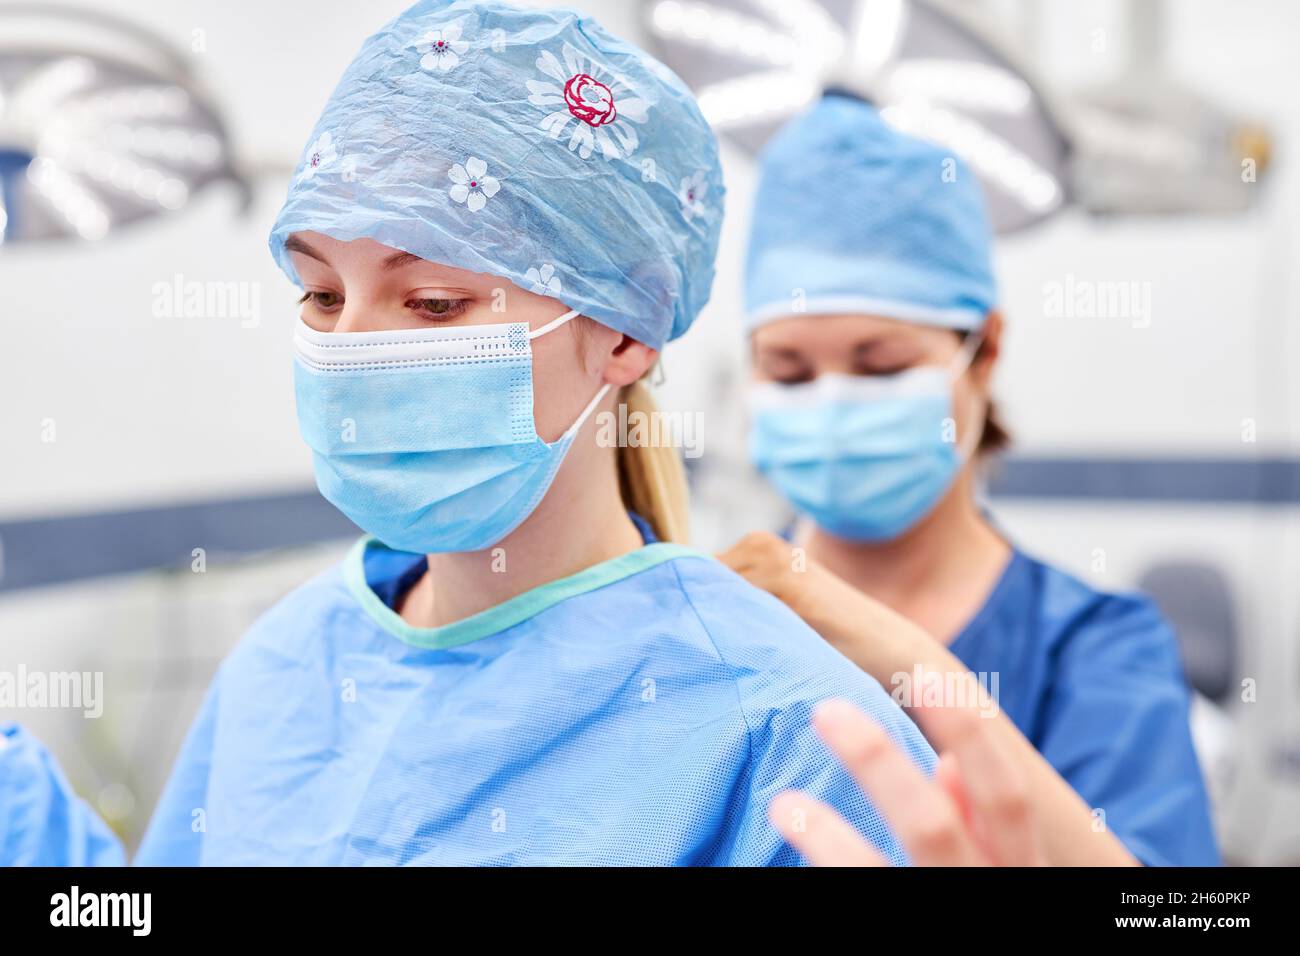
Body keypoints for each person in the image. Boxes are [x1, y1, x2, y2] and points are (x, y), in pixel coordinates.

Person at [0, 0, 937, 867]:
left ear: (620, 333)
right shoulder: (289, 663)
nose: (348, 352)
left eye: (434, 302)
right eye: (322, 295)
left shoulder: (780, 734)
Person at [724, 90, 1219, 866]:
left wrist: (918, 667)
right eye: (787, 372)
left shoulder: (1092, 648)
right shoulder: (718, 622)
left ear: (984, 351)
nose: (831, 401)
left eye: (879, 364)